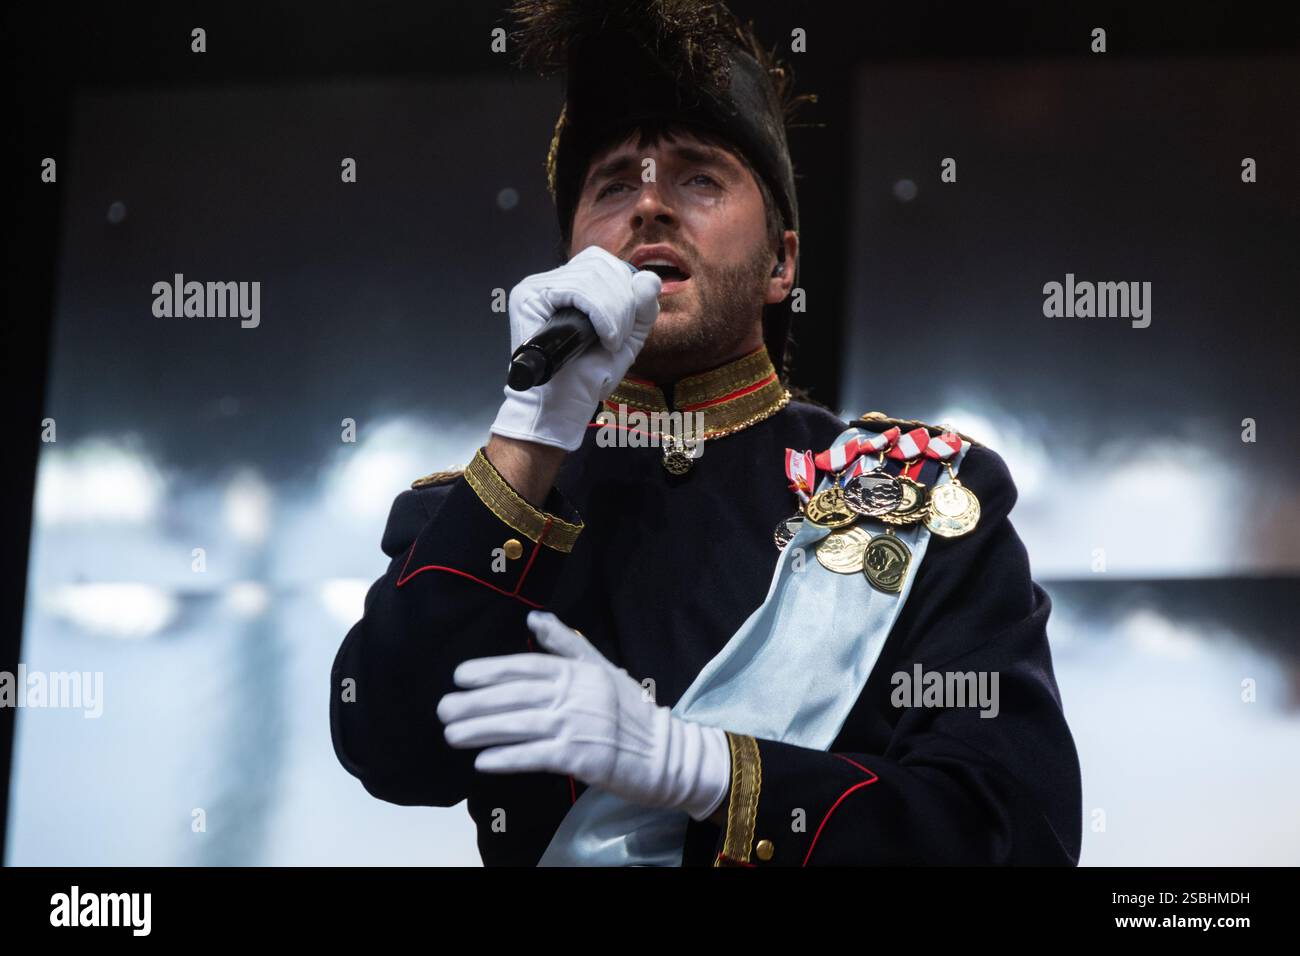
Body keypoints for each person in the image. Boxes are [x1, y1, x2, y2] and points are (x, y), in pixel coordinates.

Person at [329, 0, 1082, 866]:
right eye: (612, 185)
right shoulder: (475, 510)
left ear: (781, 262)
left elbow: (1014, 834)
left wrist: (711, 774)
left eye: (698, 178)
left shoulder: (925, 492)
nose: (648, 205)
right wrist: (532, 432)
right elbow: (388, 748)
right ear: (571, 254)